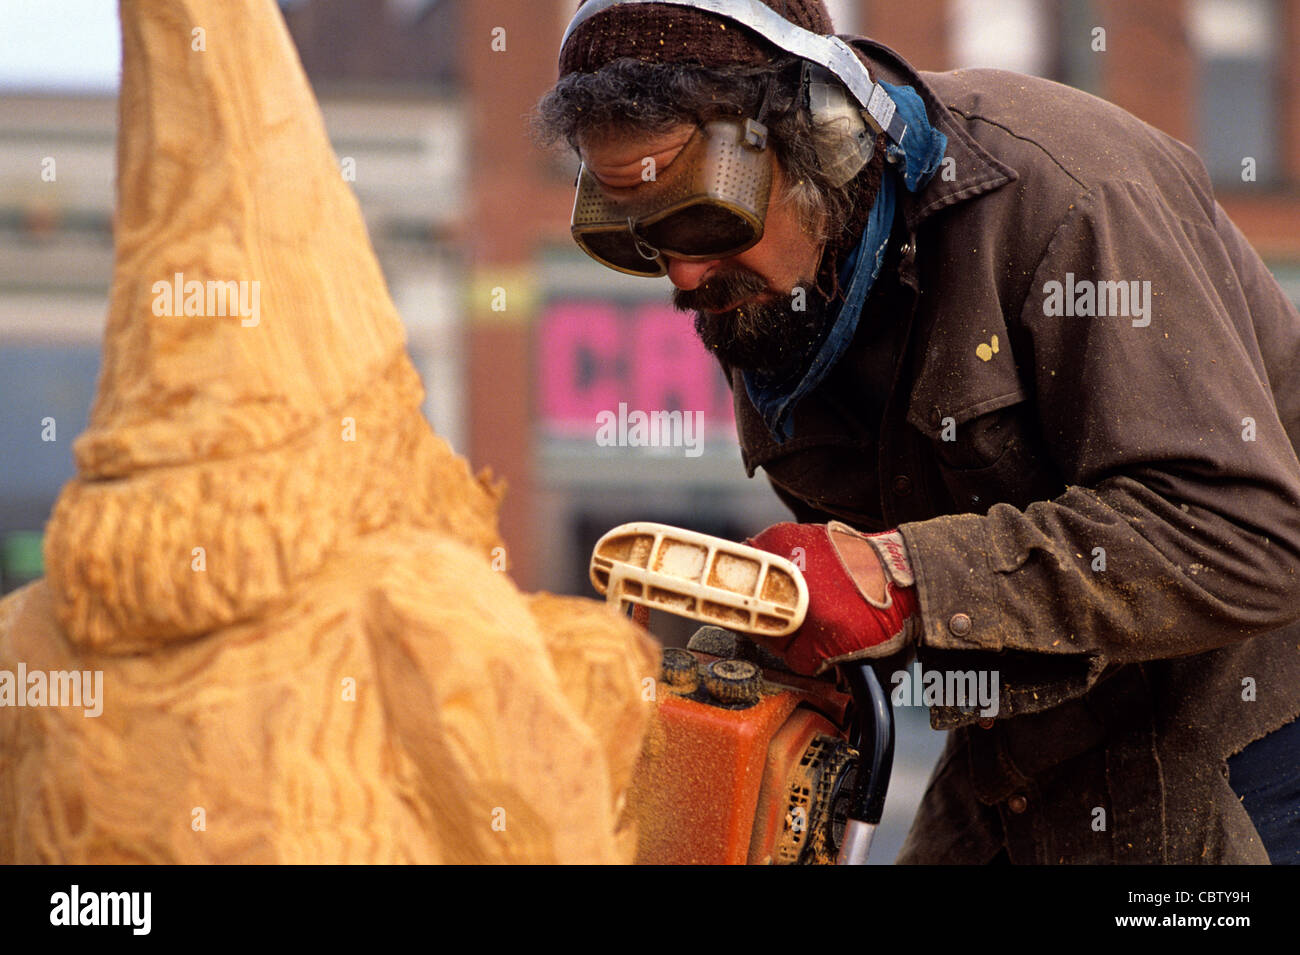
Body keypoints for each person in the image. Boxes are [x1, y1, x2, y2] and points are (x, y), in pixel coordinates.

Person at [535, 0, 1300, 864]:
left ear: (820, 136)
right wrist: (779, 655)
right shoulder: (753, 293)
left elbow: (1248, 533)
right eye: (640, 237)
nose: (683, 272)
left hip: (1252, 732)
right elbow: (893, 592)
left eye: (704, 217)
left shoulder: (1072, 195)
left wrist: (894, 576)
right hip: (1025, 740)